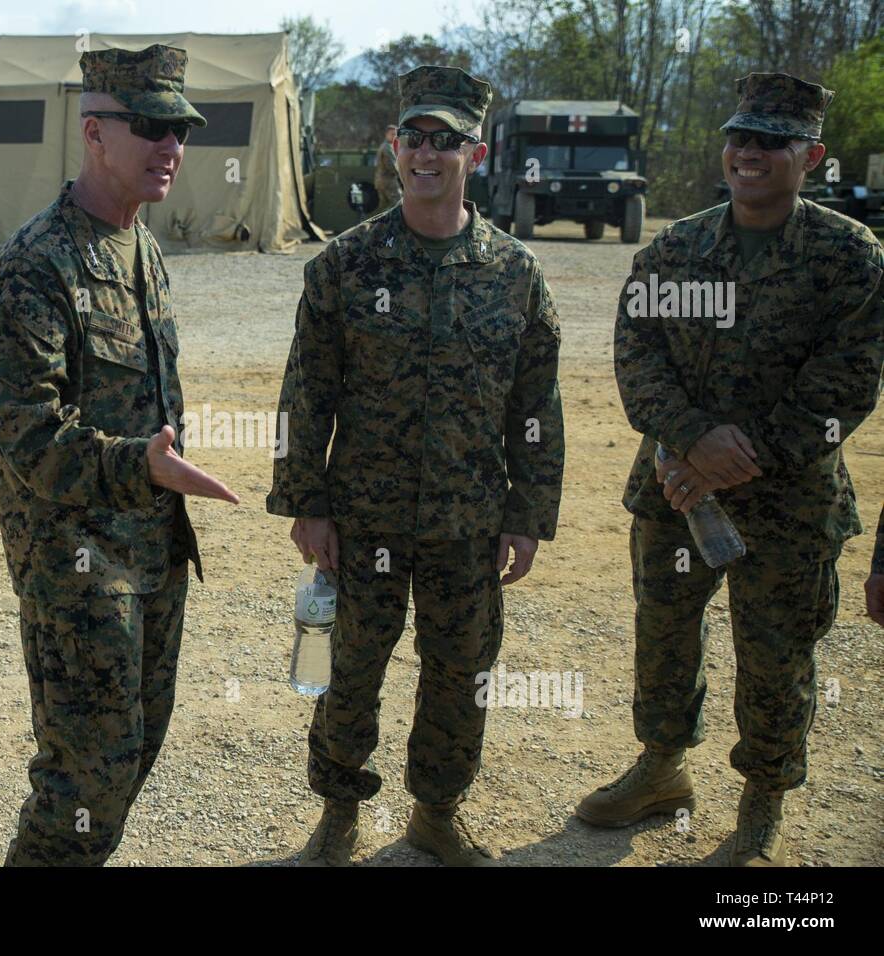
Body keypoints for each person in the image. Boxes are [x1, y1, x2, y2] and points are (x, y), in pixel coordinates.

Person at [584, 72, 884, 866]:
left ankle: (761, 805)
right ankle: (661, 769)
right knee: (664, 637)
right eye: (739, 138)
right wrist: (687, 439)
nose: (748, 154)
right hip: (675, 492)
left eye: (772, 142)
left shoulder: (849, 258)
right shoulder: (676, 249)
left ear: (811, 154)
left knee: (777, 652)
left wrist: (731, 460)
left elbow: (846, 382)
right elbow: (636, 354)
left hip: (789, 500)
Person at [268, 65, 565, 866]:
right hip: (362, 520)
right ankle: (337, 812)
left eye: (447, 141)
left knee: (461, 671)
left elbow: (535, 408)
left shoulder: (514, 274)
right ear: (394, 147)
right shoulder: (345, 266)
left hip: (468, 523)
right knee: (344, 669)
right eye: (414, 139)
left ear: (477, 150)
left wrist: (529, 517)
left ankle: (437, 811)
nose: (427, 155)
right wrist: (307, 502)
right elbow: (307, 393)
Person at [0, 44, 238, 866]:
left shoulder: (143, 250)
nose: (172, 147)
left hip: (153, 550)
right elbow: (28, 437)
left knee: (132, 753)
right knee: (84, 776)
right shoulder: (36, 264)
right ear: (95, 133)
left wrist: (154, 480)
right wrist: (143, 466)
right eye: (153, 126)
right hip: (76, 564)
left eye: (181, 130)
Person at [374, 124, 402, 211]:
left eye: (396, 134)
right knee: (399, 204)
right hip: (388, 181)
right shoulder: (387, 147)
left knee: (385, 206)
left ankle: (380, 223)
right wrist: (403, 176)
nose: (394, 136)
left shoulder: (384, 146)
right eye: (392, 134)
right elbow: (393, 166)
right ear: (386, 134)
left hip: (381, 180)